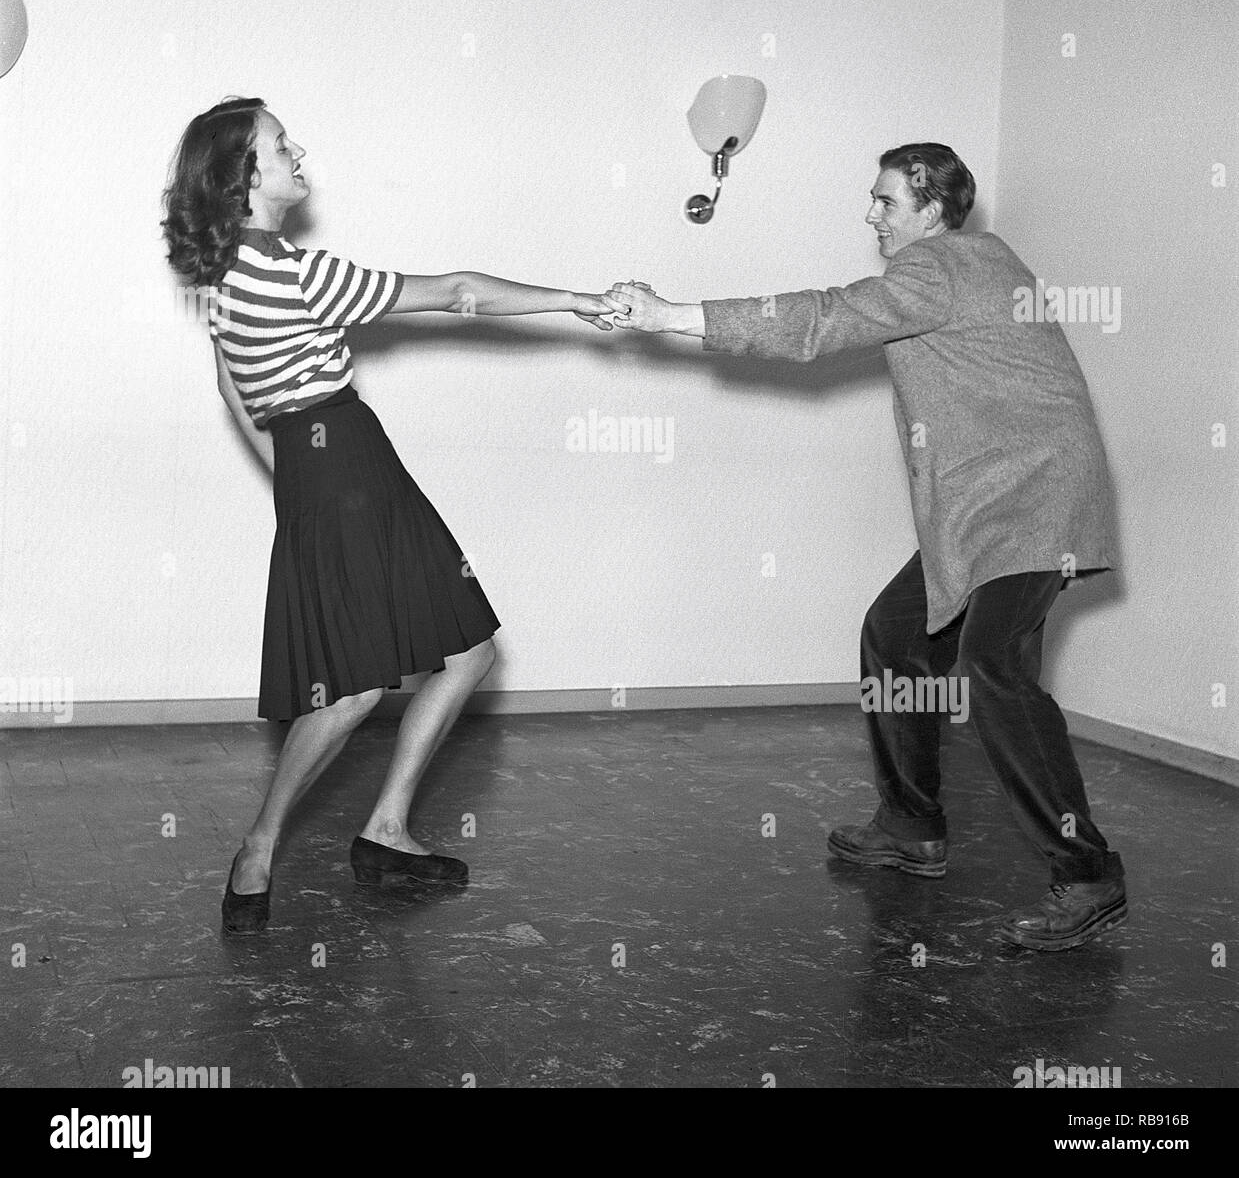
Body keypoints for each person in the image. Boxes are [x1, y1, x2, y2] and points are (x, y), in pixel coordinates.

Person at [608, 143, 1126, 952]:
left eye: (884, 201)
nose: (870, 215)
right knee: (894, 636)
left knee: (993, 669)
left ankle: (1085, 874)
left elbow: (824, 317)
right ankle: (911, 826)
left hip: (1034, 502)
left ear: (928, 204)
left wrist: (672, 315)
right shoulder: (969, 266)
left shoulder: (946, 263)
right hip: (987, 508)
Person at [162, 97, 625, 933]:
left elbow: (232, 388)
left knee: (468, 650)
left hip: (326, 463)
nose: (298, 150)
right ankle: (258, 847)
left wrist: (292, 476)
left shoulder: (226, 278)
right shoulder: (294, 272)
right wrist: (577, 300)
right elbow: (454, 292)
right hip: (348, 458)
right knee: (352, 689)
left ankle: (383, 827)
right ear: (244, 176)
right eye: (279, 144)